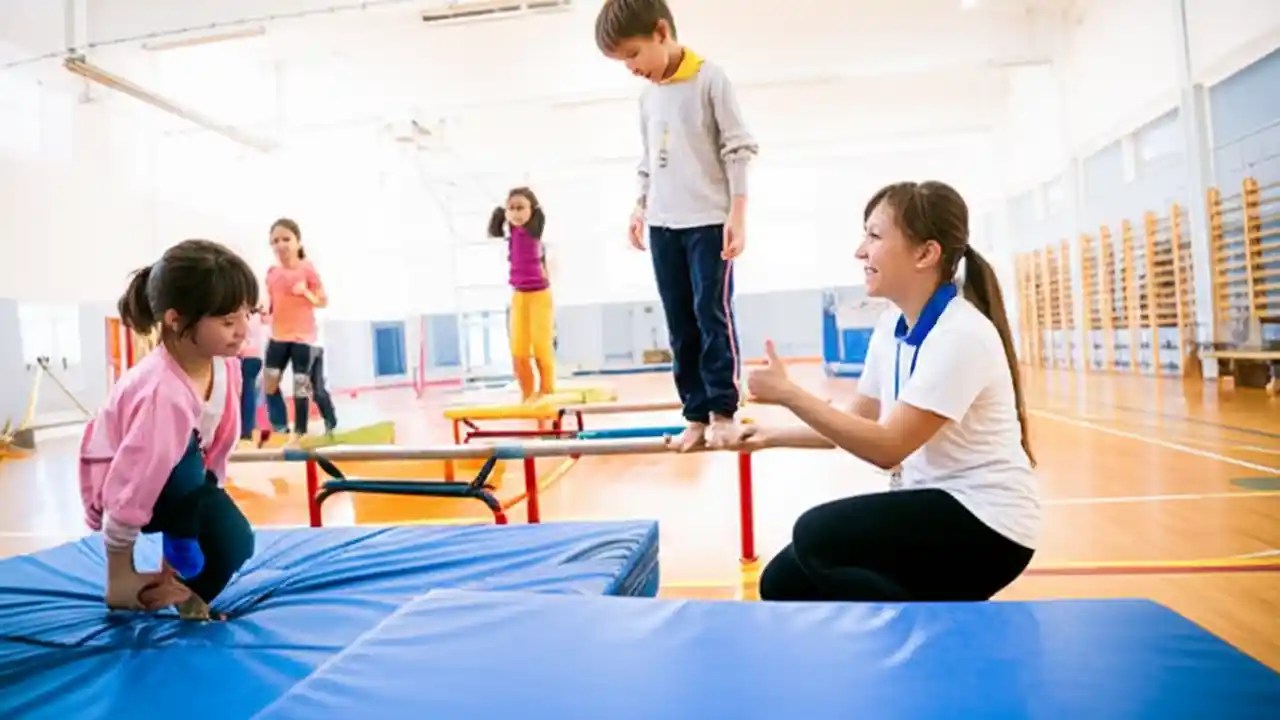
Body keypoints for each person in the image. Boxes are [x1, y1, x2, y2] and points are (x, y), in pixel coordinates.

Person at [740, 181, 1039, 602]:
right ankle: (927, 613)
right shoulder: (890, 328)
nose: (860, 251)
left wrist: (789, 394)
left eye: (874, 236)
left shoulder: (960, 335)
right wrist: (767, 438)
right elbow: (857, 422)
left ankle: (929, 625)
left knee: (818, 536)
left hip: (988, 526)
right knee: (783, 582)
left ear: (925, 253)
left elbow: (887, 447)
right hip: (936, 508)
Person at [595, 0, 759, 451]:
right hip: (663, 225)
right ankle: (695, 414)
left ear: (661, 32)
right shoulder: (648, 97)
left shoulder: (710, 79)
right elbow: (649, 161)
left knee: (712, 314)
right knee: (679, 324)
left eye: (632, 54)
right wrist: (639, 207)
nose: (630, 68)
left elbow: (738, 149)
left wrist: (738, 215)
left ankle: (723, 409)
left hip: (708, 221)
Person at [79, 239, 258, 620]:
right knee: (180, 456)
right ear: (176, 320)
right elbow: (133, 478)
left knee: (237, 541)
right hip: (126, 489)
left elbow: (216, 449)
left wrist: (209, 513)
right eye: (228, 321)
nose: (243, 330)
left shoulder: (226, 368)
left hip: (180, 484)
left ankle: (182, 590)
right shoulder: (162, 391)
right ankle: (127, 581)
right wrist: (121, 570)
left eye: (247, 314)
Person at [488, 187, 556, 401]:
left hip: (540, 295)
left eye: (521, 208)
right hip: (519, 296)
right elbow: (494, 229)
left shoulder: (536, 229)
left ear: (532, 210)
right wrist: (503, 210)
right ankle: (526, 393)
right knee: (518, 348)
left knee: (541, 346)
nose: (516, 213)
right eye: (512, 208)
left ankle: (546, 390)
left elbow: (538, 216)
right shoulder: (509, 230)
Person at [263, 218, 327, 445]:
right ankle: (280, 426)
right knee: (269, 382)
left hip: (302, 336)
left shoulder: (307, 268)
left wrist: (305, 293)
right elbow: (272, 304)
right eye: (275, 241)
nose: (280, 245)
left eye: (286, 239)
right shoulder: (271, 273)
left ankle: (299, 432)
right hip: (278, 335)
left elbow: (322, 301)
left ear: (298, 242)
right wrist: (264, 312)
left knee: (301, 384)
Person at [238, 306, 266, 444]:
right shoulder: (257, 317)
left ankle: (242, 431)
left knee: (241, 396)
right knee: (250, 394)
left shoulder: (243, 316)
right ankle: (247, 430)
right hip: (256, 357)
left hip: (243, 357)